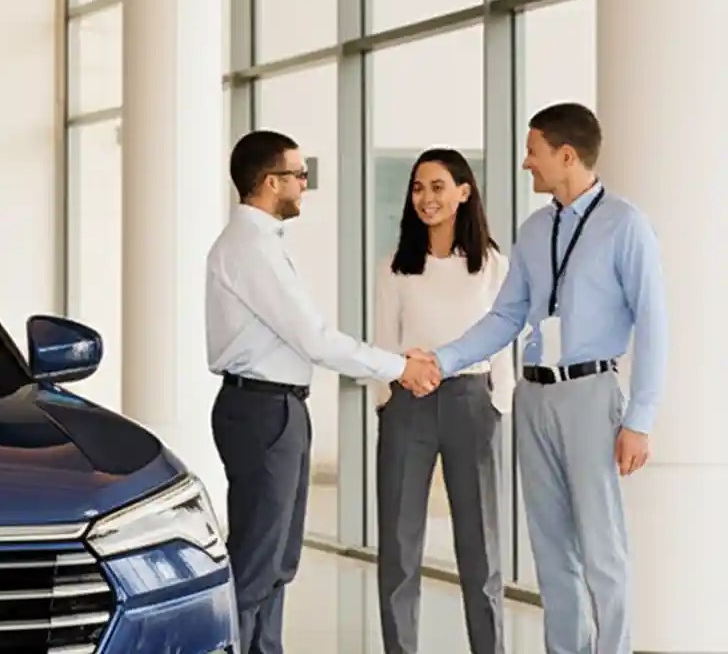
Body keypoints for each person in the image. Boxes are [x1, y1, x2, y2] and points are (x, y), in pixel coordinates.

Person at [425, 103, 667, 654]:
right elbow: (507, 317)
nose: (525, 163)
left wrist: (640, 420)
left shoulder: (625, 225)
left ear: (566, 154)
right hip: (534, 397)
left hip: (591, 395)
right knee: (551, 548)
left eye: (532, 151)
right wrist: (444, 358)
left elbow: (654, 324)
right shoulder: (533, 231)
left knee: (603, 551)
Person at [205, 130, 440, 654]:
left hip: (277, 407)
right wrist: (399, 366)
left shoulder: (261, 243)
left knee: (279, 559)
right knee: (258, 560)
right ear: (271, 183)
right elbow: (314, 339)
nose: (305, 185)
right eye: (299, 174)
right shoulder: (250, 249)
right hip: (261, 408)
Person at [371, 148, 512, 654]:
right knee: (400, 549)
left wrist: (499, 402)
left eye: (436, 187)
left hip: (472, 403)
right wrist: (388, 398)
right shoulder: (392, 266)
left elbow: (504, 335)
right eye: (417, 188)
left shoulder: (493, 264)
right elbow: (385, 339)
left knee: (480, 549)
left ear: (463, 192)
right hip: (407, 405)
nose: (426, 198)